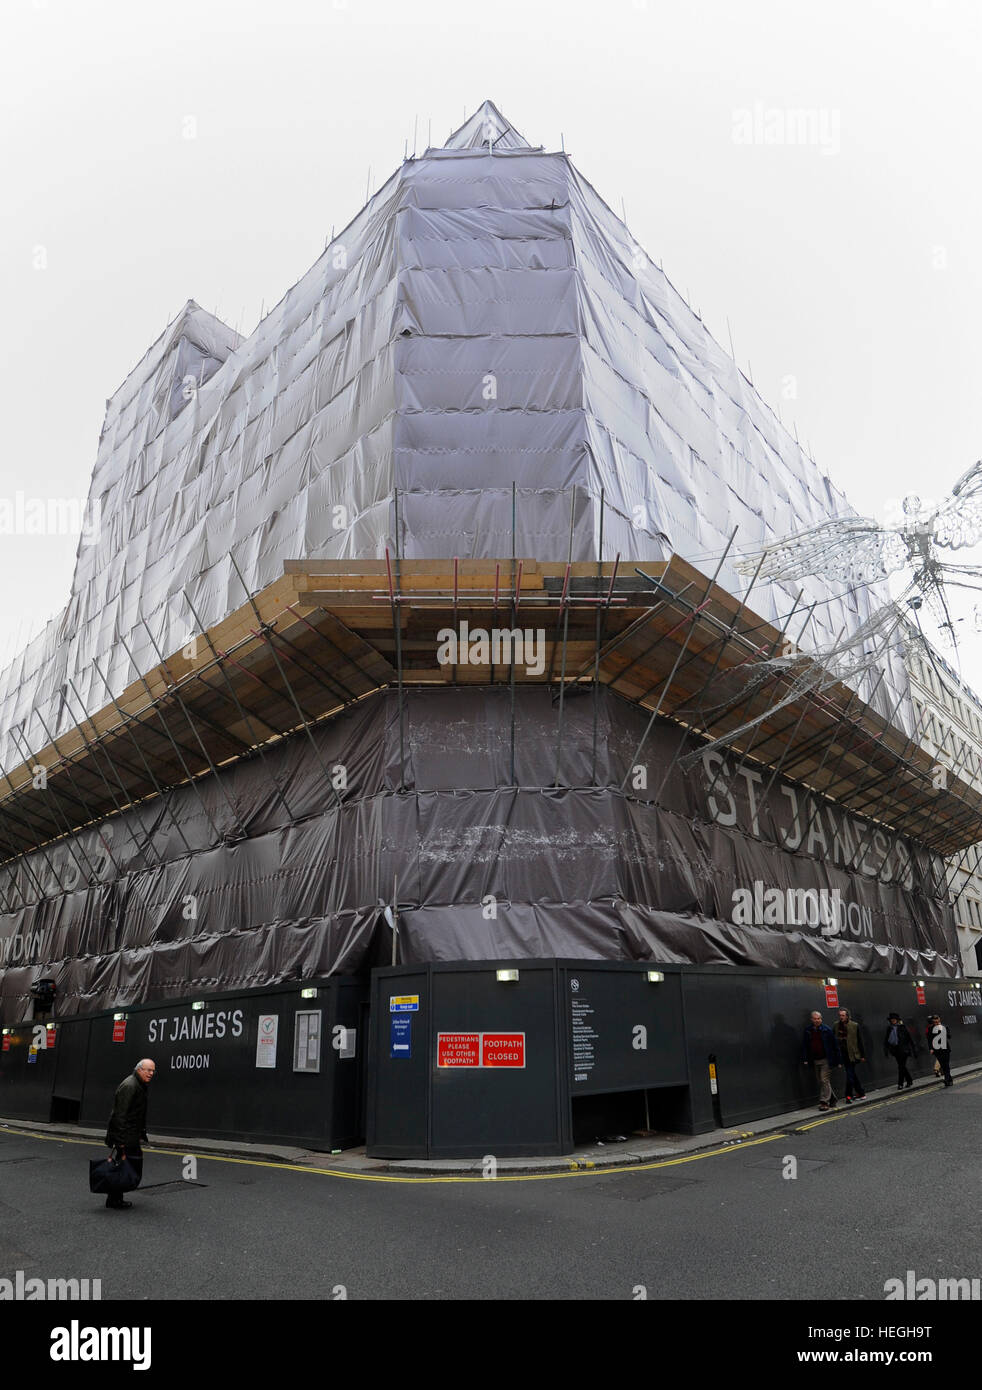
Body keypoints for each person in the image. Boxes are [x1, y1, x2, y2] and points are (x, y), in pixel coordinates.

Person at [103, 1058, 155, 1210]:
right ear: (139, 1069)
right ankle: (114, 1199)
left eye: (153, 1071)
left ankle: (115, 1198)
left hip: (131, 1135)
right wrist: (120, 1140)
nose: (151, 1073)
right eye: (148, 1070)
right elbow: (120, 1114)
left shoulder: (138, 1084)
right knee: (123, 1166)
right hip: (125, 1137)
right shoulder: (130, 1085)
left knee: (126, 1165)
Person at [801, 1010, 841, 1111]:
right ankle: (832, 1099)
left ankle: (824, 1102)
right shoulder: (808, 1030)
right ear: (811, 1019)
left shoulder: (827, 1030)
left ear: (821, 1019)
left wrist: (839, 1060)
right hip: (814, 1060)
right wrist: (805, 1058)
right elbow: (805, 1046)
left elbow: (835, 1045)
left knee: (824, 1080)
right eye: (815, 1019)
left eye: (818, 1019)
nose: (817, 1020)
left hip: (826, 1060)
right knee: (822, 1081)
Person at [833, 1008, 867, 1101]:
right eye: (840, 1015)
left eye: (843, 1015)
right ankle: (861, 1093)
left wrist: (863, 1055)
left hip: (852, 1054)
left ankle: (848, 1095)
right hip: (842, 1054)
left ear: (847, 1016)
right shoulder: (836, 1025)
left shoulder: (854, 1025)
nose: (841, 1017)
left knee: (849, 1075)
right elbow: (833, 1039)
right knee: (852, 1074)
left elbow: (860, 1041)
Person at [883, 1013, 916, 1090]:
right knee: (902, 1066)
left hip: (904, 1050)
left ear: (897, 1020)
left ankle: (900, 1083)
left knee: (901, 1067)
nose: (893, 1021)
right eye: (892, 1020)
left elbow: (909, 1039)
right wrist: (886, 1050)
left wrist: (913, 1050)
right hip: (895, 1050)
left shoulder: (902, 1027)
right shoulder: (889, 1028)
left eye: (894, 1020)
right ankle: (909, 1080)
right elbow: (886, 1040)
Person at [925, 1014, 953, 1087]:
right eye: (934, 1022)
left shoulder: (944, 1027)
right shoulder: (931, 1029)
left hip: (945, 1049)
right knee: (943, 1066)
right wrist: (930, 1048)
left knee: (946, 1065)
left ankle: (946, 1080)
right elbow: (929, 1040)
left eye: (937, 1021)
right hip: (937, 1050)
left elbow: (949, 1036)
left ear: (939, 1020)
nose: (936, 1023)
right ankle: (950, 1079)